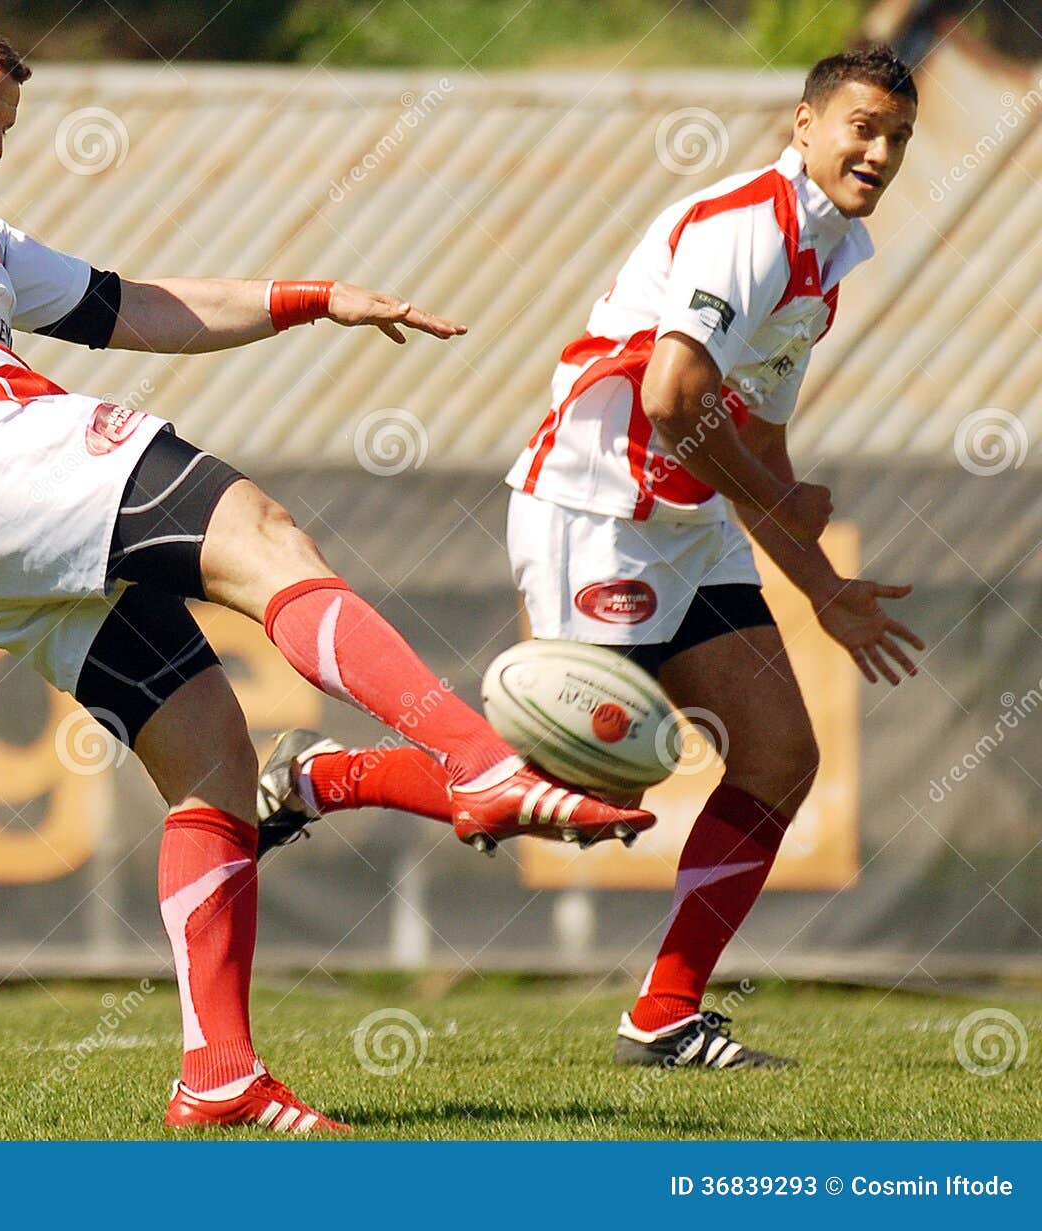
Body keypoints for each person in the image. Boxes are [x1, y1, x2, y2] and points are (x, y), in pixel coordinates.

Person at [0, 12, 651, 1130]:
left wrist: (309, 298)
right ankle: (475, 760)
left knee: (214, 761)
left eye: (6, 126)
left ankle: (217, 1072)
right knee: (262, 535)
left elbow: (127, 305)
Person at [256, 47, 926, 1070]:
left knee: (782, 755)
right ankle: (314, 780)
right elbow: (668, 398)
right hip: (596, 506)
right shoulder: (748, 228)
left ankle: (664, 1015)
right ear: (803, 125)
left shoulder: (829, 258)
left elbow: (762, 442)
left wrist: (809, 557)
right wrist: (798, 545)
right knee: (571, 796)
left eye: (896, 139)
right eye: (860, 127)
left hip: (686, 517)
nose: (877, 152)